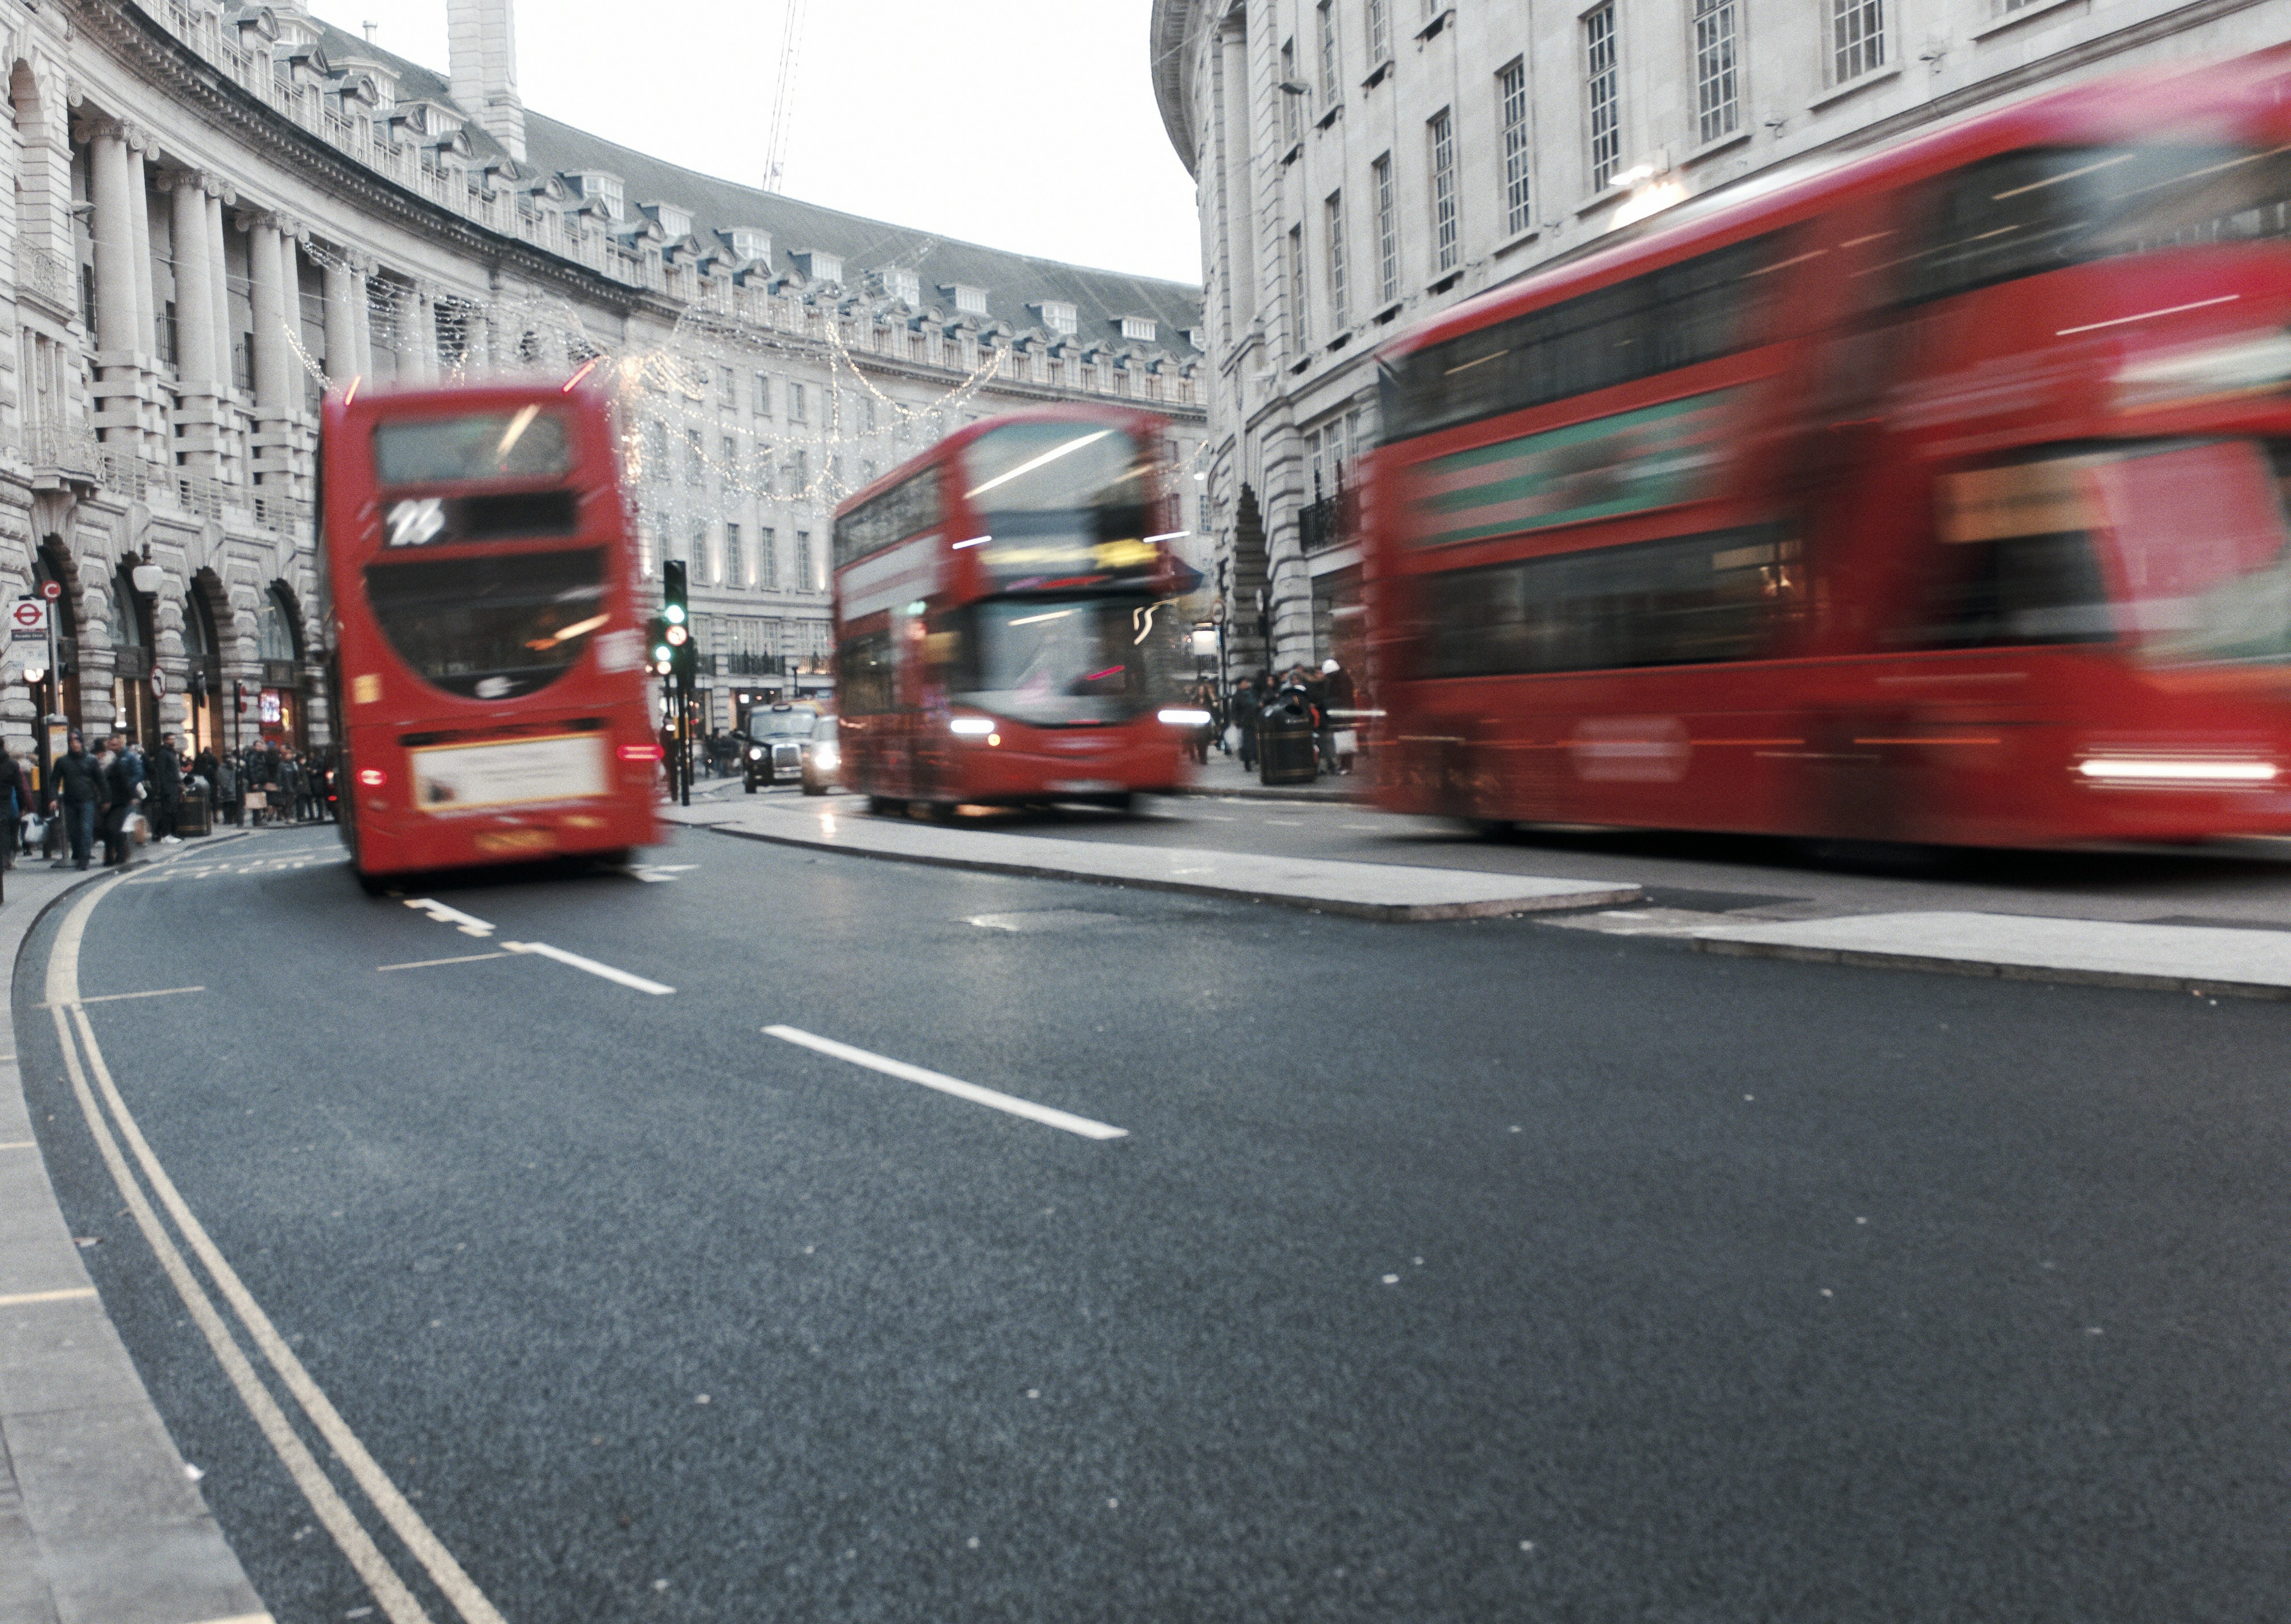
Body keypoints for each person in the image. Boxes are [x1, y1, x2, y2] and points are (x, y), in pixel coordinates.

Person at [52, 734, 98, 870]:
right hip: (70, 800)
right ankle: (78, 854)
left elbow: (100, 780)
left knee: (86, 828)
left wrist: (106, 798)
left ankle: (84, 858)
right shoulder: (62, 761)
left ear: (82, 743)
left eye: (77, 741)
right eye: (72, 741)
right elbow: (54, 780)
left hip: (87, 799)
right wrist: (53, 797)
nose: (75, 744)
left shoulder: (91, 760)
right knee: (73, 830)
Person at [1318, 657, 1355, 775]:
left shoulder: (1340, 680)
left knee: (1344, 740)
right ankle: (1345, 765)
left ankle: (1346, 766)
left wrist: (1325, 704)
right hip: (1344, 713)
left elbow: (1338, 698)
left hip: (1342, 714)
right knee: (1344, 740)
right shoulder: (1342, 678)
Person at [152, 733, 184, 843]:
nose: (173, 741)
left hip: (174, 785)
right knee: (168, 811)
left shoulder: (171, 752)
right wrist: (164, 787)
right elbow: (161, 772)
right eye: (171, 739)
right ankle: (165, 835)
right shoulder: (163, 753)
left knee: (173, 811)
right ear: (165, 740)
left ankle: (169, 833)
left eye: (174, 739)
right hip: (168, 786)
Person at [1231, 673, 1260, 773]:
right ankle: (1247, 761)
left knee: (1255, 742)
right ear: (1240, 685)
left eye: (1246, 682)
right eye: (1244, 683)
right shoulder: (1237, 696)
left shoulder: (1252, 693)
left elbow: (1257, 704)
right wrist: (1236, 720)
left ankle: (1256, 759)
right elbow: (1234, 710)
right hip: (1244, 723)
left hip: (1254, 721)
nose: (1246, 684)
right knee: (1246, 744)